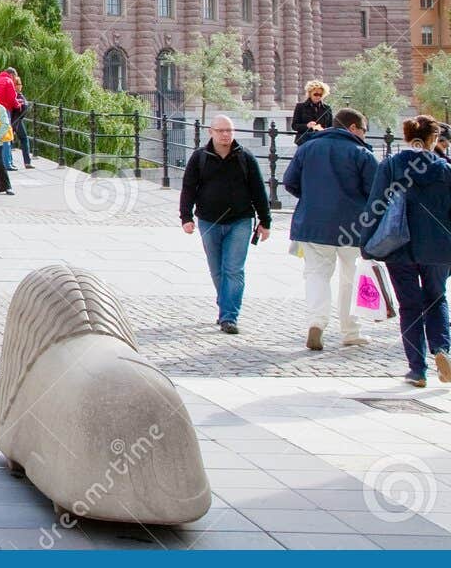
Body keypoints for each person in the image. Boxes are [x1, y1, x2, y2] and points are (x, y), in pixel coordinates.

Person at [358, 115, 451, 388]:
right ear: (434, 139)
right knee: (436, 298)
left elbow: (375, 205)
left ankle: (417, 369)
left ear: (406, 137)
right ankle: (442, 349)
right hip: (438, 247)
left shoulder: (391, 166)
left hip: (398, 245)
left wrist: (366, 245)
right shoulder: (445, 170)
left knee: (410, 306)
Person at [282, 107, 378, 352]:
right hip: (353, 226)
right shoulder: (361, 153)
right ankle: (350, 331)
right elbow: (375, 192)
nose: (365, 136)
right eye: (364, 130)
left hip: (313, 223)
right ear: (354, 128)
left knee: (316, 274)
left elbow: (290, 182)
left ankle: (316, 322)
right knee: (351, 278)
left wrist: (312, 199)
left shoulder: (307, 148)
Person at [180, 115, 272, 336]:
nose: (225, 135)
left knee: (233, 269)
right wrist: (186, 217)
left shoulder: (245, 157)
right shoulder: (199, 158)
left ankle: (229, 317)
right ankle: (225, 305)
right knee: (217, 269)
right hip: (209, 220)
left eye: (229, 131)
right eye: (221, 130)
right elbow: (189, 188)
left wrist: (265, 221)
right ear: (211, 132)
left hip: (240, 220)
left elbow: (258, 189)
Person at [0, 69, 25, 170]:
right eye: (14, 78)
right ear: (12, 75)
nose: (14, 80)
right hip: (3, 111)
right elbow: (12, 99)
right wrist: (19, 105)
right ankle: (7, 163)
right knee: (5, 137)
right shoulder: (8, 81)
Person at [292, 80, 334, 146]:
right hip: (305, 141)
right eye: (315, 94)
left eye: (320, 95)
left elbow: (331, 126)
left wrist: (322, 129)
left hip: (322, 141)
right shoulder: (300, 107)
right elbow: (294, 126)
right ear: (310, 93)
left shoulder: (327, 108)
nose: (318, 97)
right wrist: (307, 126)